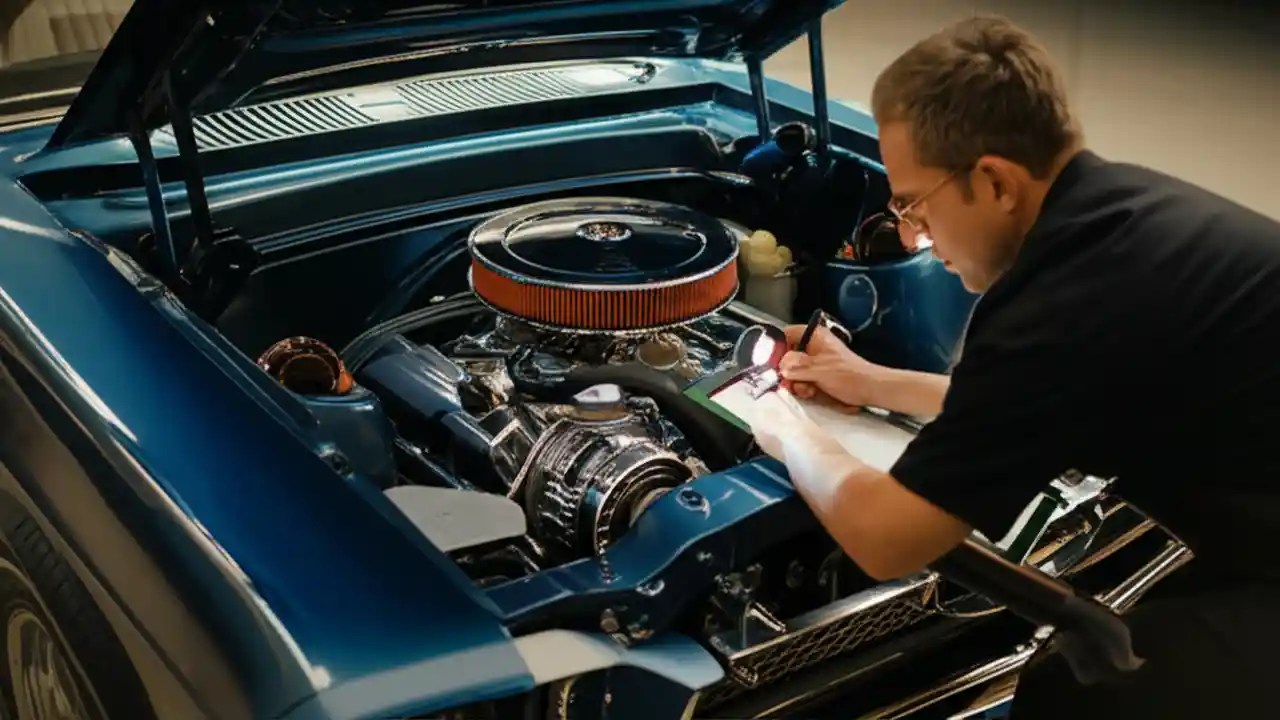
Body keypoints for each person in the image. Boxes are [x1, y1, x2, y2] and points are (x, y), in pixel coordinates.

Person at [747, 15, 1280, 719]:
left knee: (1080, 694)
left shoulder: (1056, 301)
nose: (910, 233)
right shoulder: (1116, 214)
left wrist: (782, 426)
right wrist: (872, 383)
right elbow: (1033, 396)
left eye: (911, 203)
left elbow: (886, 539)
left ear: (994, 181)